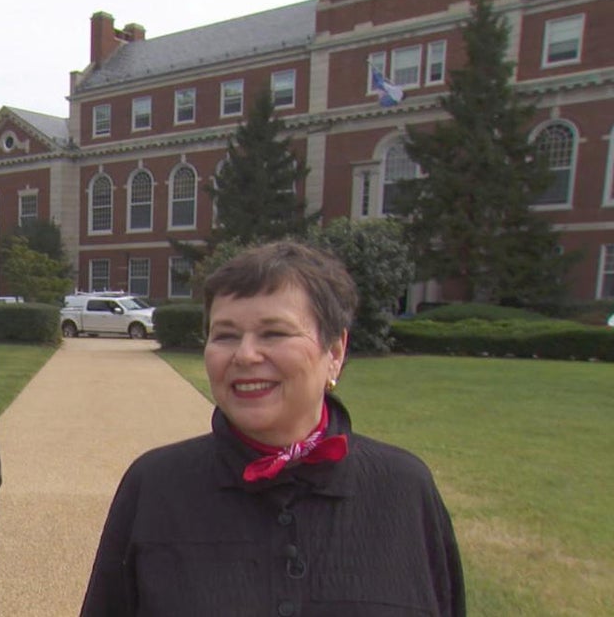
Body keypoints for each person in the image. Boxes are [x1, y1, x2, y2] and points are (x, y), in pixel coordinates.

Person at [80, 241, 464, 616]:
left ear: (334, 352)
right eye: (226, 335)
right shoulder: (155, 485)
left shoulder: (404, 489)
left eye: (274, 333)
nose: (245, 355)